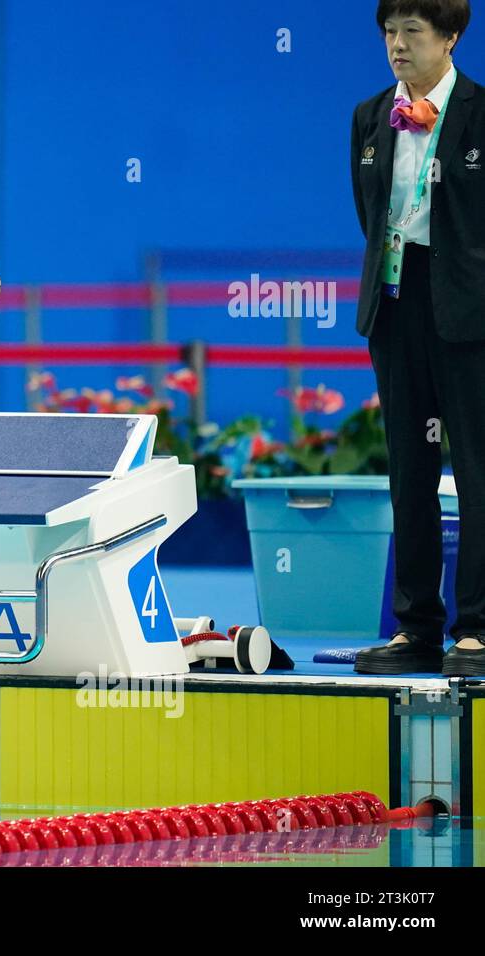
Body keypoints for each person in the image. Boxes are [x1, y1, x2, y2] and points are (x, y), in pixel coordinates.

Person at [350, 0, 485, 676]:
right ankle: (417, 629)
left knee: (478, 472)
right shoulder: (370, 116)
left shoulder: (484, 114)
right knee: (410, 472)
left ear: (451, 37)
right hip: (397, 304)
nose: (397, 45)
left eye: (412, 32)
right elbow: (369, 214)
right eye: (388, 32)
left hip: (469, 313)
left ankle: (478, 629)